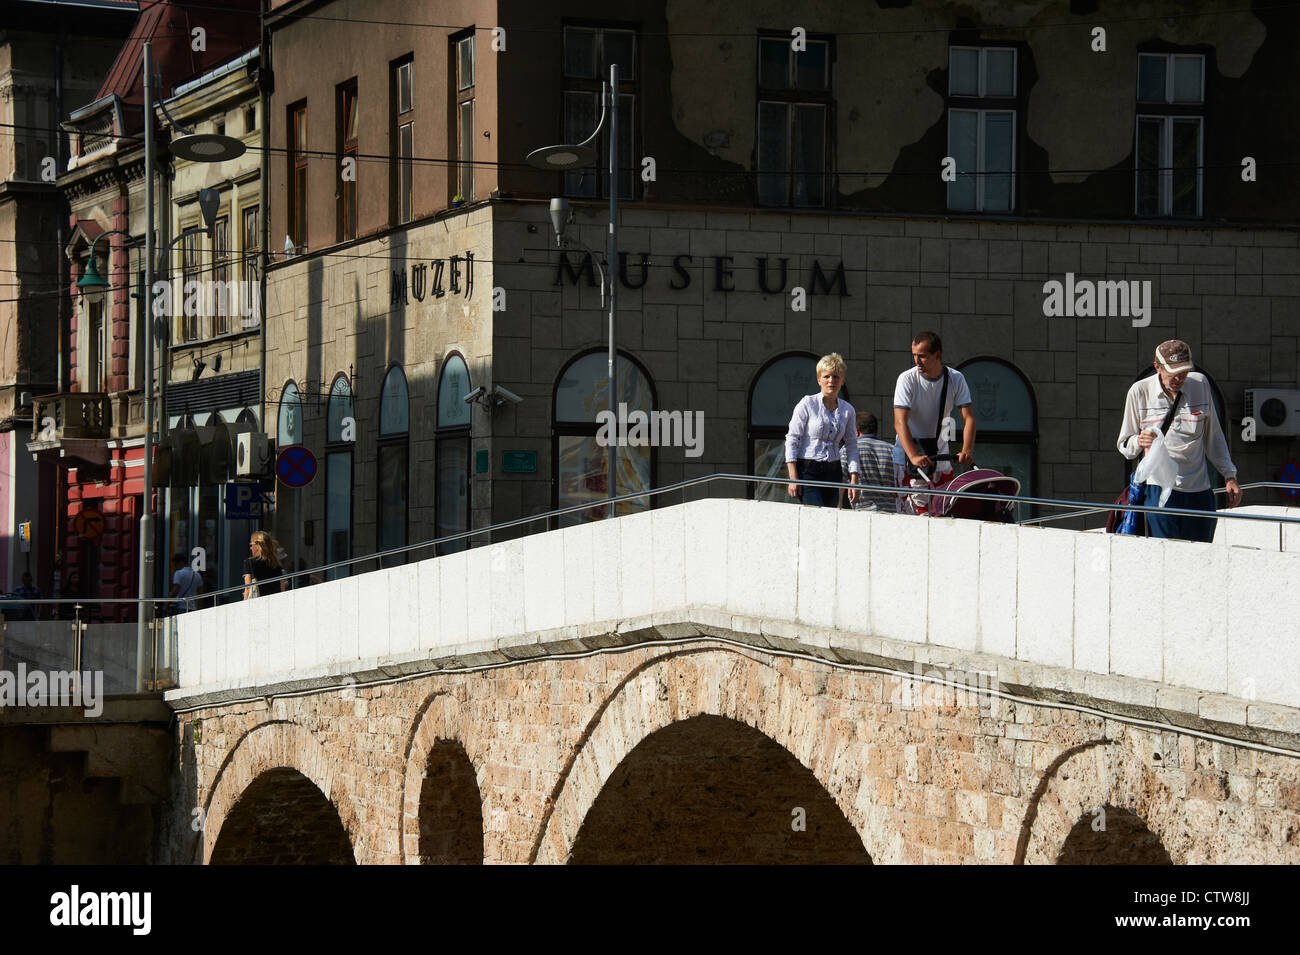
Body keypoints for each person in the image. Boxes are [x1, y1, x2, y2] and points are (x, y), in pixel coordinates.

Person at [1117, 340, 1241, 542]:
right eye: (1173, 372)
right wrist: (1139, 440)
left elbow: (1215, 436)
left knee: (1201, 553)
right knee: (1167, 553)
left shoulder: (1200, 384)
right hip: (1159, 489)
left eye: (1184, 372)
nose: (1179, 378)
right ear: (1157, 367)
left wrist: (1229, 475)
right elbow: (1124, 445)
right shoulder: (1139, 391)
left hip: (1199, 490)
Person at [892, 332, 976, 514]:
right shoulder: (907, 379)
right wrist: (913, 456)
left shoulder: (955, 378)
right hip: (908, 456)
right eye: (914, 355)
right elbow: (899, 422)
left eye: (922, 356)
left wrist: (967, 450)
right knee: (913, 514)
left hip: (940, 455)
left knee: (942, 511)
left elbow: (968, 417)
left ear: (937, 355)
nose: (917, 361)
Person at [785, 353, 861, 507]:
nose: (831, 381)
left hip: (834, 471)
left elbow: (852, 444)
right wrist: (793, 477)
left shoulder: (848, 410)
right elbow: (792, 438)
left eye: (836, 377)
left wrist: (854, 478)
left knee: (831, 516)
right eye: (826, 376)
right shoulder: (807, 403)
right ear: (819, 379)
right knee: (815, 513)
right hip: (808, 470)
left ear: (843, 380)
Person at [840, 412, 897, 511]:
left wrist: (837, 507)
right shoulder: (892, 449)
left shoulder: (849, 449)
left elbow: (840, 481)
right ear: (876, 431)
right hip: (892, 512)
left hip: (863, 512)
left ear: (856, 432)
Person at [243, 530, 287, 599]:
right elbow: (282, 585)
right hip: (275, 599)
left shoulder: (249, 562)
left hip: (258, 600)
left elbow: (248, 588)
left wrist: (244, 604)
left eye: (251, 545)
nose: (250, 548)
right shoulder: (275, 562)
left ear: (258, 546)